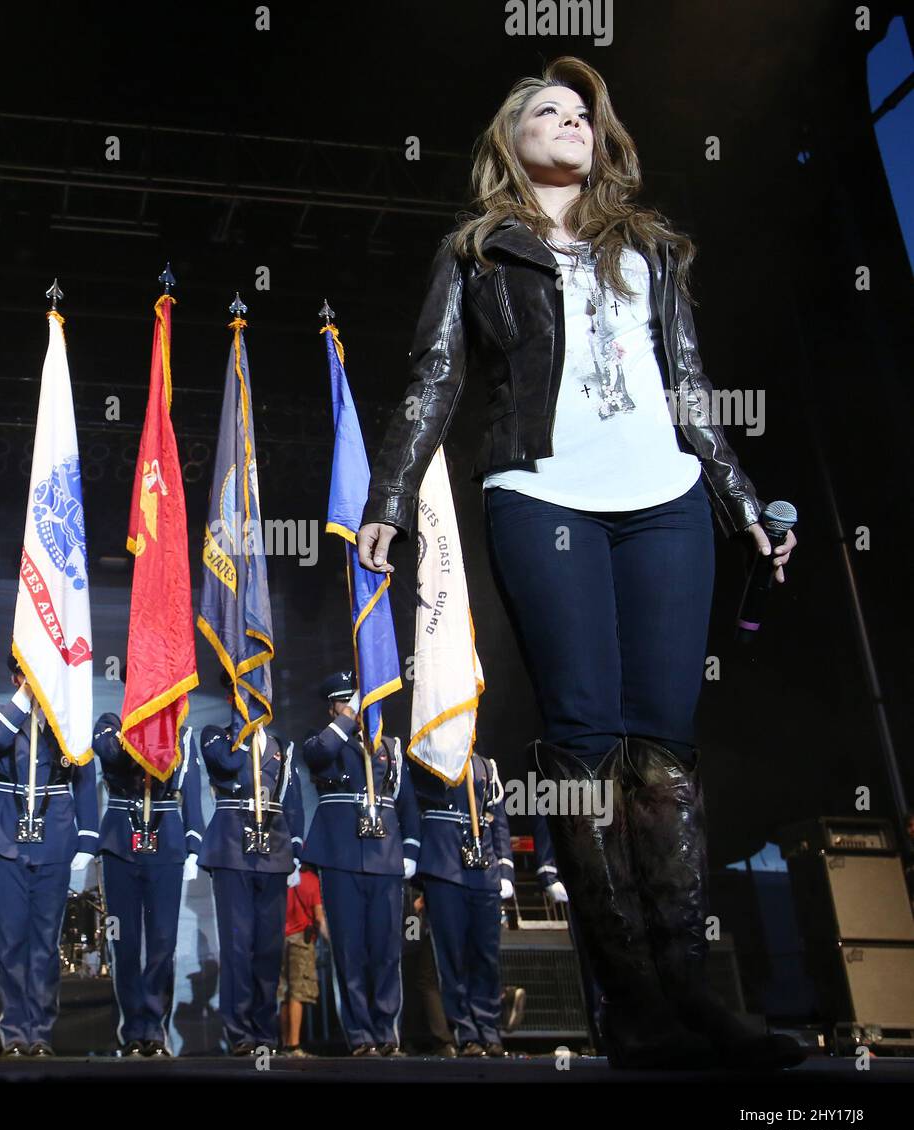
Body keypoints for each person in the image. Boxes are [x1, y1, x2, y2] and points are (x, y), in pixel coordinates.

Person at [356, 56, 801, 1070]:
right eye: (545, 112)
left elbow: (691, 389)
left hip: (667, 503)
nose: (569, 123)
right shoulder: (478, 250)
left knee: (664, 746)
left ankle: (690, 996)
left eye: (581, 115)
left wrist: (740, 503)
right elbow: (433, 377)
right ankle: (634, 1003)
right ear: (508, 143)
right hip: (542, 494)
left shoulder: (649, 247)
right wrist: (387, 497)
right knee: (587, 741)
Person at [0, 654, 99, 1058]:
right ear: (14, 676)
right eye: (22, 673)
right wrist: (27, 694)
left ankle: (40, 1031)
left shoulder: (67, 720)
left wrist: (86, 839)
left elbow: (83, 778)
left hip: (55, 837)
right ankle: (14, 1032)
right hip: (7, 838)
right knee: (11, 941)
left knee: (45, 943)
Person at [300, 669, 420, 1055]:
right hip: (341, 856)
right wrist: (348, 719)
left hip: (385, 856)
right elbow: (319, 755)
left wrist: (411, 851)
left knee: (386, 950)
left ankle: (386, 1032)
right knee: (349, 951)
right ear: (333, 707)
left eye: (360, 701)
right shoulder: (321, 742)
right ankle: (360, 1036)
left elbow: (407, 805)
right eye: (347, 703)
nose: (356, 708)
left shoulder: (390, 747)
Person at [92, 677, 203, 1058]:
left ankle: (155, 1026)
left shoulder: (181, 733)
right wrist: (140, 724)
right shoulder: (110, 722)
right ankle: (132, 1028)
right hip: (121, 843)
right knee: (123, 943)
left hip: (166, 842)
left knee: (161, 943)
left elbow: (190, 789)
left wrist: (192, 844)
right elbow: (110, 753)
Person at [197, 675, 305, 1056]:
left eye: (256, 696)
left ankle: (265, 1031)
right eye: (243, 695)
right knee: (238, 945)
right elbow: (227, 764)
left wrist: (295, 851)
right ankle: (240, 1032)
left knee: (268, 949)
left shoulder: (281, 748)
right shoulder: (215, 736)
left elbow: (292, 803)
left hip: (273, 852)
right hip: (231, 849)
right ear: (231, 698)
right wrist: (243, 731)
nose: (251, 702)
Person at [409, 748, 511, 1057]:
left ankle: (489, 1029)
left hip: (485, 869)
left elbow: (500, 820)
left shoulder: (486, 765)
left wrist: (505, 869)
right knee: (452, 956)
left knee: (486, 955)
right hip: (443, 864)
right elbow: (419, 800)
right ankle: (466, 1031)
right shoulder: (429, 760)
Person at [278, 862, 327, 1056]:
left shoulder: (283, 878)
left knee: (283, 993)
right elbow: (319, 917)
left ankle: (283, 1043)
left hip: (280, 938)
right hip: (301, 941)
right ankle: (294, 1044)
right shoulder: (311, 881)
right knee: (298, 992)